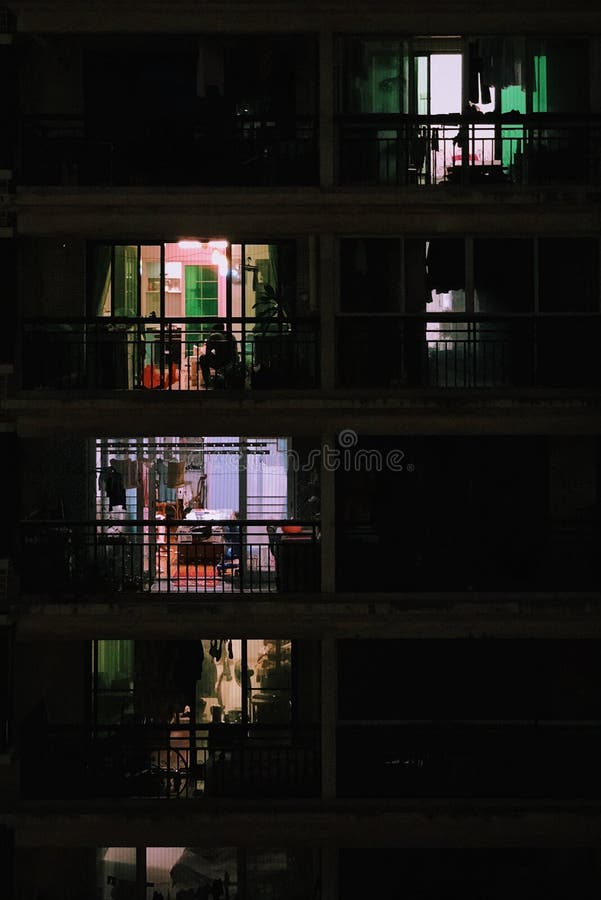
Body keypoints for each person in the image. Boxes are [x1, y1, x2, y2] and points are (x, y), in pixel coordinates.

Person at [198, 321, 240, 388]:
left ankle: (208, 381)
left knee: (202, 358)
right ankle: (220, 381)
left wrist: (212, 350)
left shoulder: (215, 336)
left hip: (222, 361)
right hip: (230, 360)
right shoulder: (231, 336)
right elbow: (234, 351)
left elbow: (208, 352)